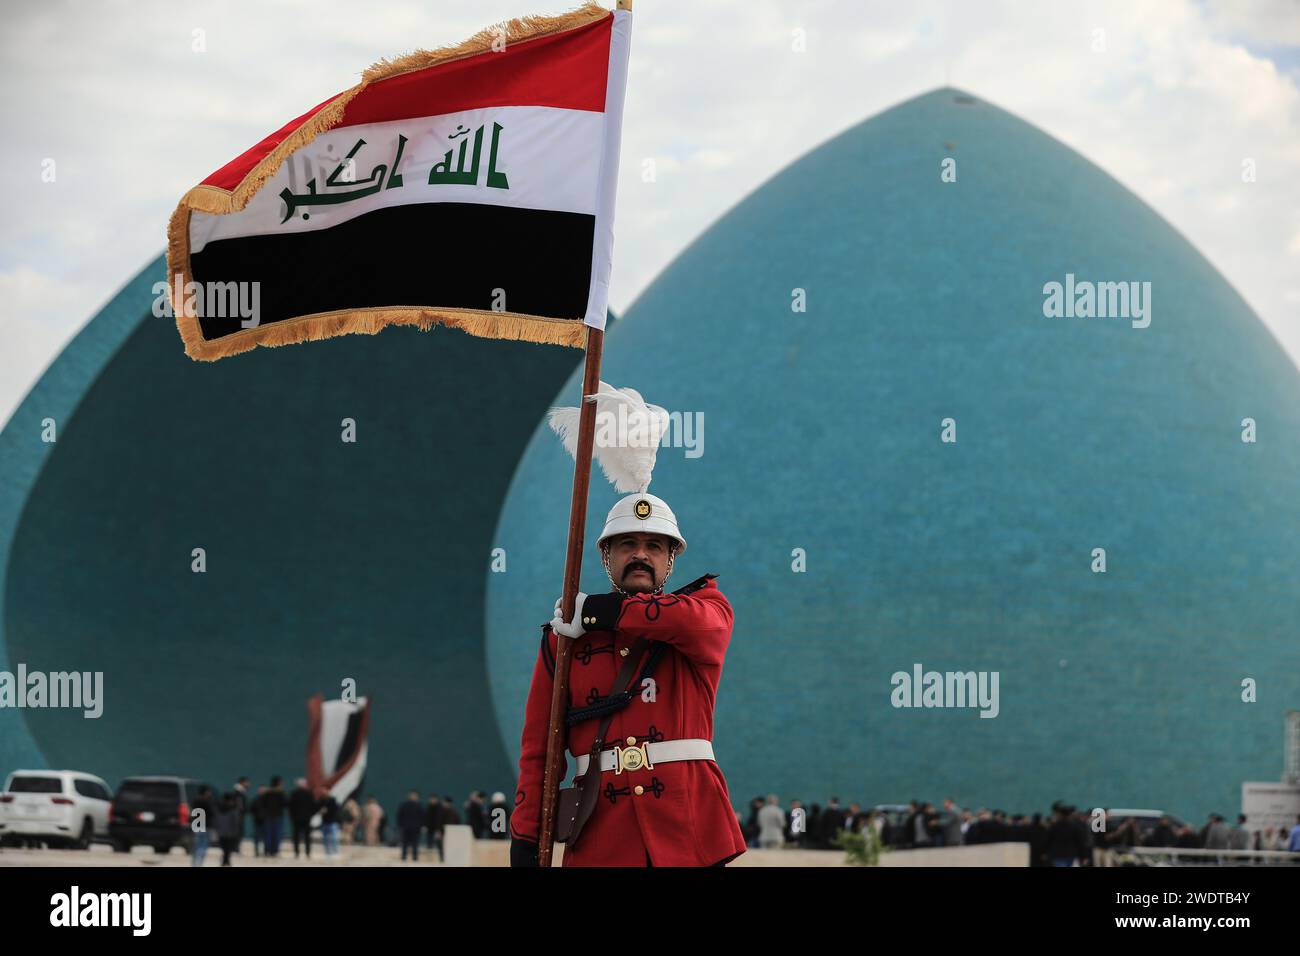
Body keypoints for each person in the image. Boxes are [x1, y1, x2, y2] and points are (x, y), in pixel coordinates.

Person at [510, 492, 747, 867]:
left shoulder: (704, 611)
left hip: (686, 831)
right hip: (601, 833)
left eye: (654, 545)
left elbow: (698, 625)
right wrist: (525, 835)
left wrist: (601, 611)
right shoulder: (564, 640)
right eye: (627, 545)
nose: (640, 555)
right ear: (607, 557)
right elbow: (539, 749)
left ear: (670, 560)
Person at [288, 778, 318, 858]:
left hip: (297, 819)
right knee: (307, 837)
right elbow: (314, 806)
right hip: (306, 818)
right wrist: (310, 815)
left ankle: (297, 853)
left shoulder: (294, 794)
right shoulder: (309, 794)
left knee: (297, 837)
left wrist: (292, 817)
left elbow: (290, 808)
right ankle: (307, 853)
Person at [214, 791, 242, 866]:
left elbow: (216, 820)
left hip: (221, 832)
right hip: (230, 832)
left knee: (224, 848)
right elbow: (236, 821)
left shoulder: (219, 808)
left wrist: (217, 830)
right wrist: (237, 831)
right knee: (228, 848)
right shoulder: (233, 809)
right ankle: (226, 861)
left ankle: (225, 861)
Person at [261, 776, 286, 857]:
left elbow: (263, 804)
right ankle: (274, 851)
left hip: (268, 816)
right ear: (278, 783)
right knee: (277, 834)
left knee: (267, 834)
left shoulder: (267, 793)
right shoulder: (281, 793)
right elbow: (286, 803)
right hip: (278, 816)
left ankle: (267, 850)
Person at [191, 785, 215, 867]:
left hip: (196, 825)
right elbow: (212, 813)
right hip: (205, 826)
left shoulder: (195, 800)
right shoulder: (207, 801)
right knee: (202, 847)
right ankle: (199, 864)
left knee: (196, 847)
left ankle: (194, 864)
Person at [398, 790, 424, 861]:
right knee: (407, 844)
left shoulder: (418, 806)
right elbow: (400, 816)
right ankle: (407, 857)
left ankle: (410, 858)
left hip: (412, 828)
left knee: (412, 844)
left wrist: (400, 825)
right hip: (410, 828)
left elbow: (422, 817)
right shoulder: (406, 805)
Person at [319, 789, 341, 857]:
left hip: (332, 821)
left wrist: (327, 810)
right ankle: (327, 850)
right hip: (325, 821)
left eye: (325, 791)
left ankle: (335, 850)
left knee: (333, 837)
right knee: (325, 837)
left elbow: (336, 809)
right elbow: (318, 808)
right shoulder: (321, 800)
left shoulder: (332, 800)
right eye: (323, 791)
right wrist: (321, 811)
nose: (324, 792)